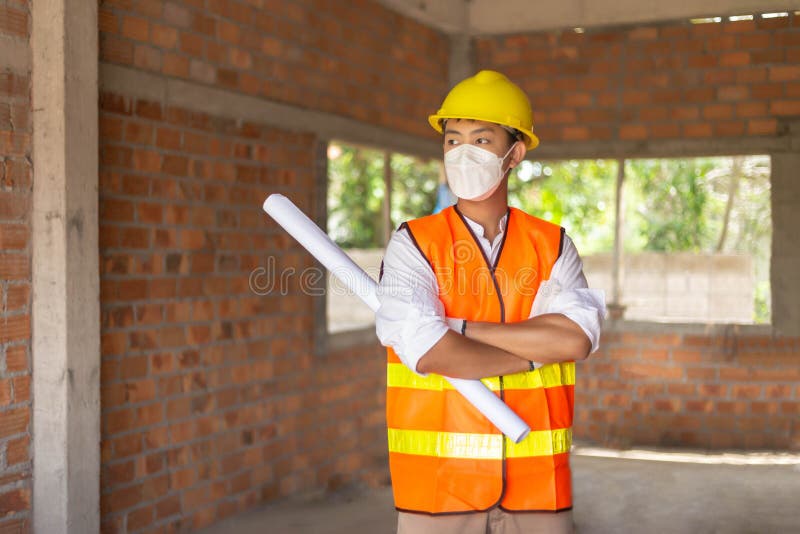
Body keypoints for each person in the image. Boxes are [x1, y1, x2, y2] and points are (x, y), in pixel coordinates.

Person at [375, 70, 606, 534]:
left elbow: (577, 339)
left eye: (482, 139)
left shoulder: (552, 244)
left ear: (513, 154)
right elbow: (430, 351)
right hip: (439, 490)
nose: (463, 152)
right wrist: (528, 358)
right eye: (453, 139)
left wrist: (461, 327)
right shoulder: (414, 244)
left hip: (537, 487)